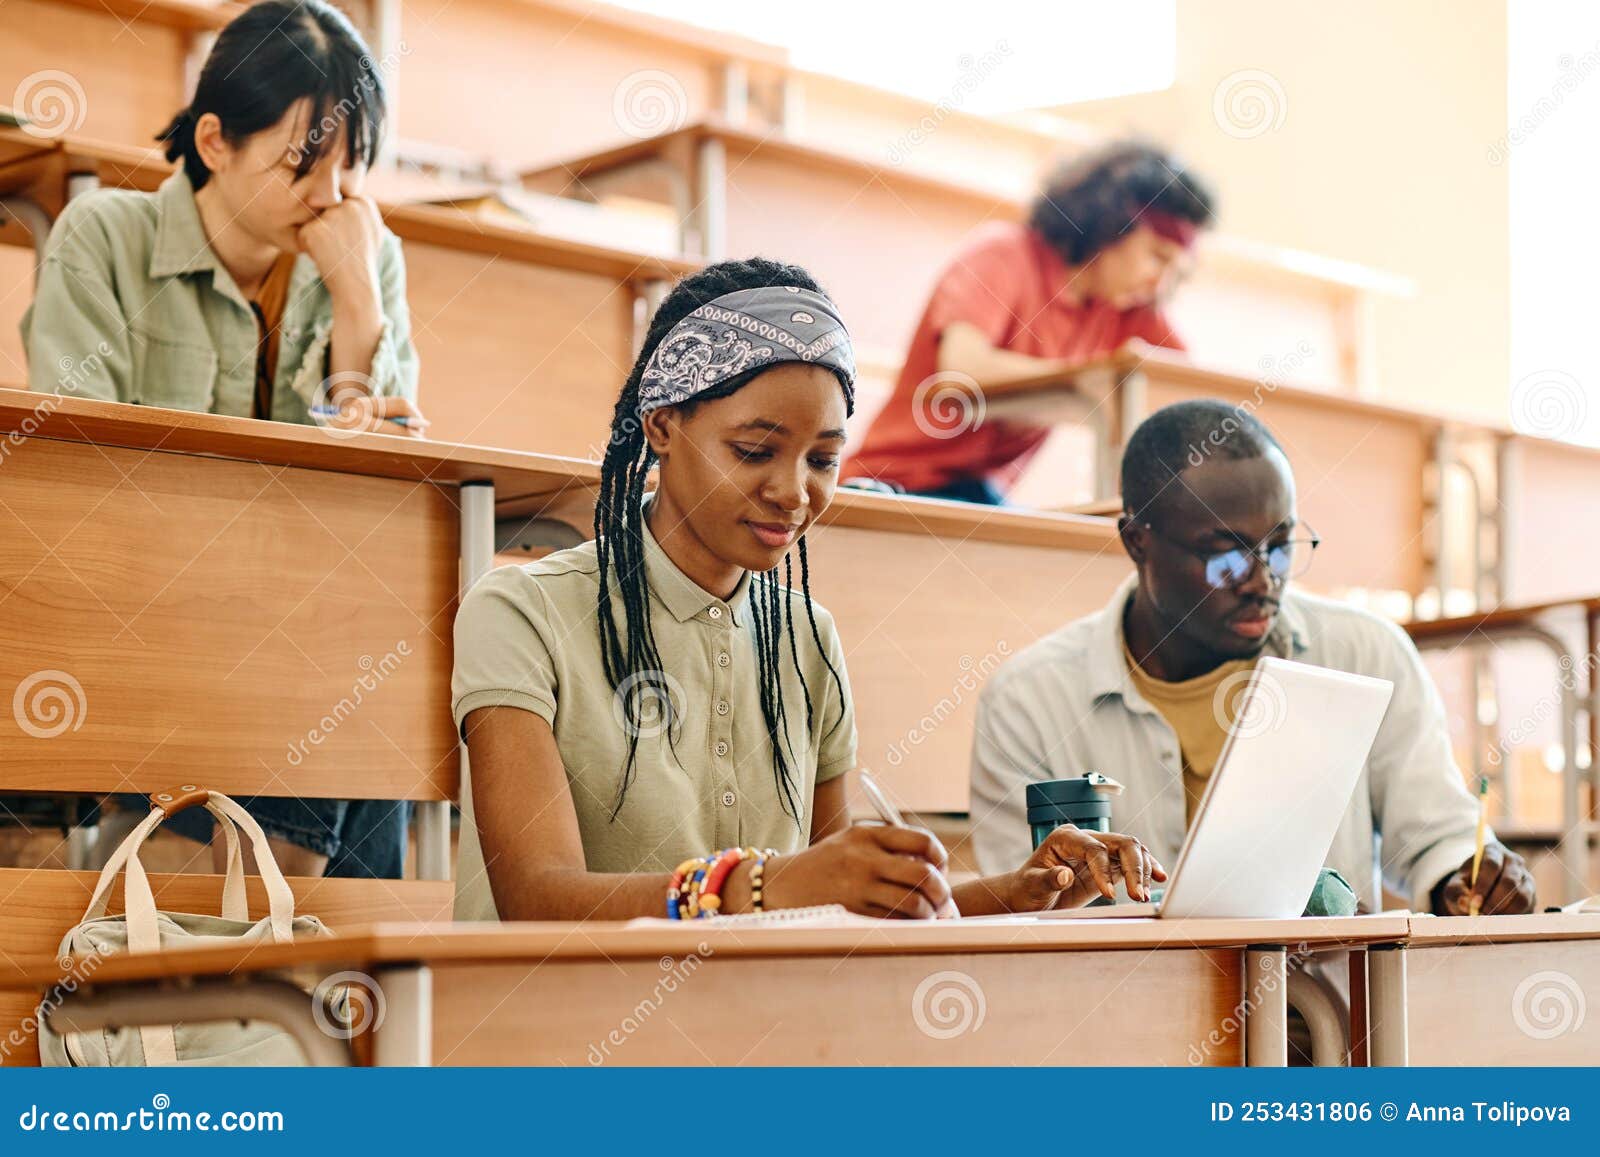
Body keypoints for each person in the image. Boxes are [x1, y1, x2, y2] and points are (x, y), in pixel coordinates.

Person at [452, 257, 1165, 921]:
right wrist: (766, 884)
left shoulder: (806, 635)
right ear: (662, 425)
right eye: (755, 451)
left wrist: (1020, 890)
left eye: (823, 458)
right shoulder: (522, 612)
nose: (794, 492)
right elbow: (537, 897)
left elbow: (846, 905)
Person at [11, 0, 427, 878]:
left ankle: (251, 928)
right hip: (144, 614)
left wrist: (359, 316)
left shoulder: (363, 255)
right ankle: (303, 960)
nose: (331, 197)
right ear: (213, 142)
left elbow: (379, 504)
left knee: (367, 649)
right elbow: (78, 487)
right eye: (302, 165)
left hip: (296, 625)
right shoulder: (106, 241)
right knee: (339, 673)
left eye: (351, 169)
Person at [969, 399, 1537, 918]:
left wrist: (1469, 874)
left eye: (1280, 547)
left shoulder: (1365, 653)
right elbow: (1020, 917)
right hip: (1127, 1019)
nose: (1262, 580)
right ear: (1137, 541)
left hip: (1339, 1015)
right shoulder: (1031, 700)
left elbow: (1436, 834)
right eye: (1225, 556)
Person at [842, 142, 1215, 505]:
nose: (1160, 284)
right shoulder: (1005, 254)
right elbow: (964, 370)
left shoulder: (1128, 305)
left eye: (1177, 274)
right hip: (890, 485)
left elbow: (1192, 394)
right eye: (1157, 257)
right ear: (1111, 223)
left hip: (977, 499)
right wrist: (1095, 386)